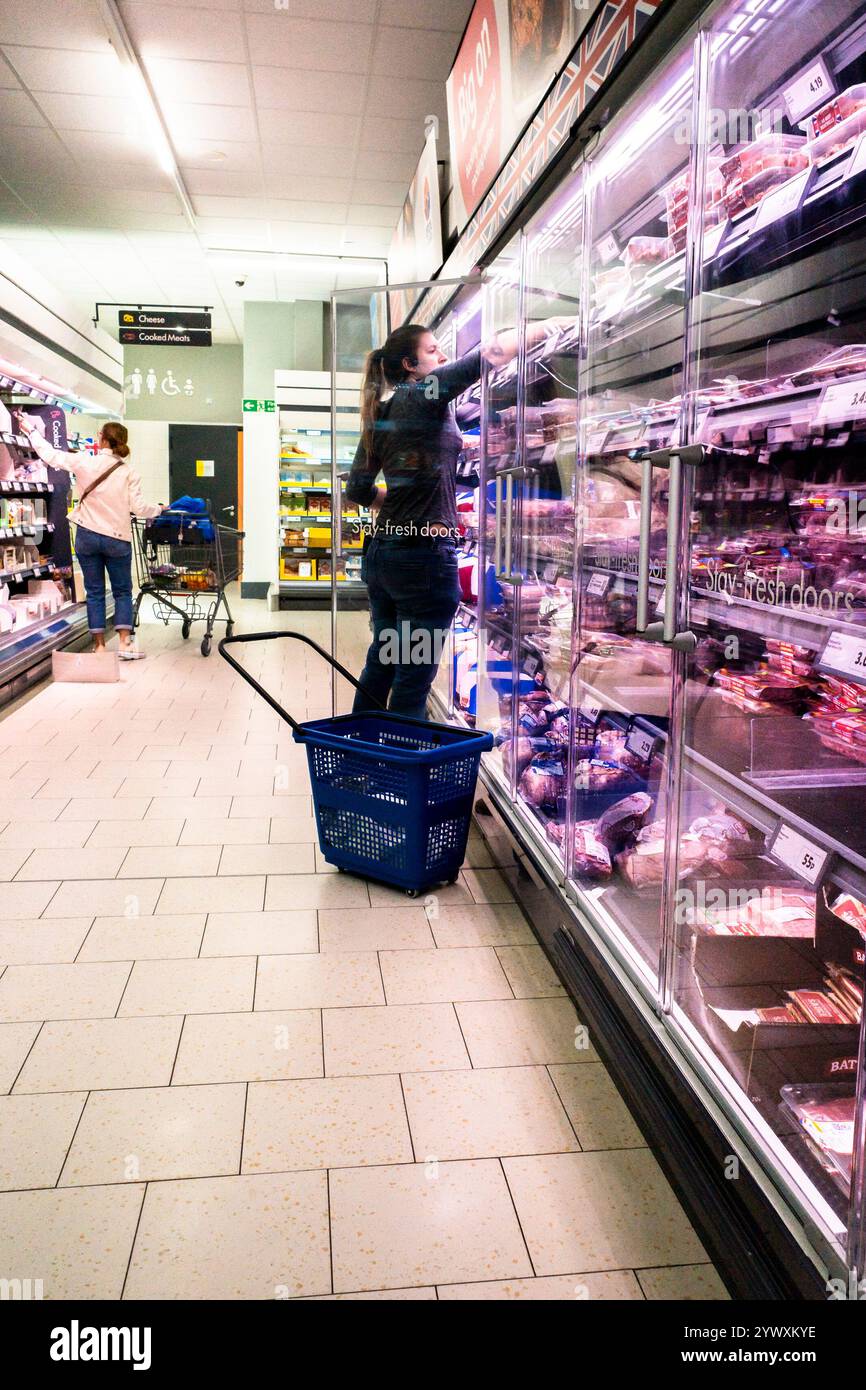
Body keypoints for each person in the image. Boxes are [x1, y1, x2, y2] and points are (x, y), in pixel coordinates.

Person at [346, 317, 570, 720]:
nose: (443, 355)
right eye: (432, 350)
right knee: (412, 679)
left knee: (384, 661)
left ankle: (358, 757)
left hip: (385, 554)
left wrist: (404, 502)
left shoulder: (381, 413)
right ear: (410, 367)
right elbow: (486, 356)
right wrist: (552, 325)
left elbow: (358, 491)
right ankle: (399, 773)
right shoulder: (422, 394)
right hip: (421, 564)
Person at [16, 416, 164, 659]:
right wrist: (158, 509)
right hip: (117, 538)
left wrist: (31, 430)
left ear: (101, 440)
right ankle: (125, 644)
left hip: (87, 535)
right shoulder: (129, 472)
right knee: (123, 591)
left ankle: (99, 647)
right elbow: (139, 508)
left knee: (94, 592)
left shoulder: (85, 461)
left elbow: (51, 455)